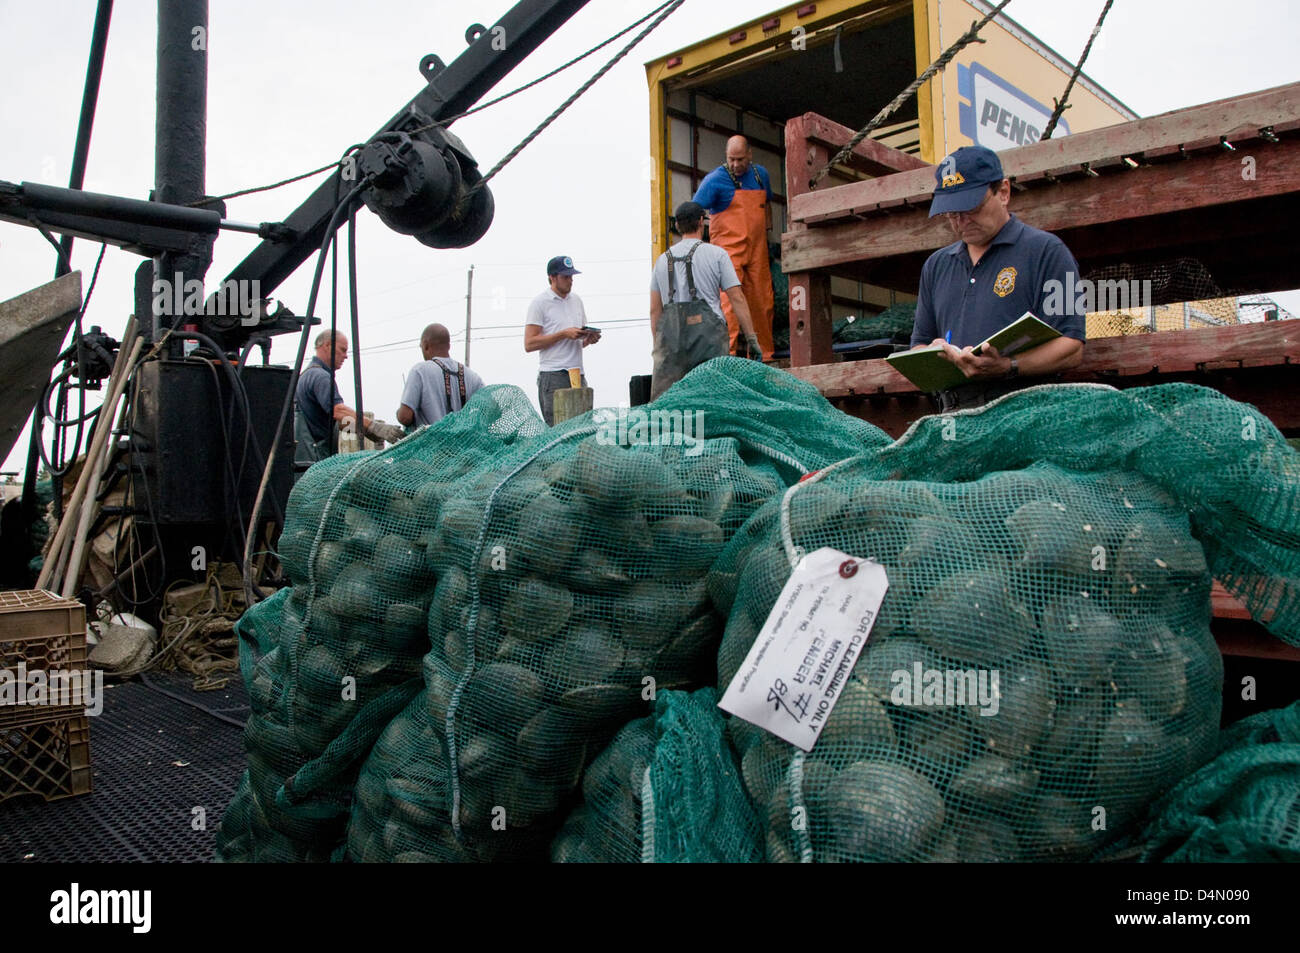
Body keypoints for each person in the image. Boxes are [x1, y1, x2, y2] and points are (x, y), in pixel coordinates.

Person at [909, 145, 1085, 411]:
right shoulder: (936, 266)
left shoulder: (1047, 252)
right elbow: (918, 344)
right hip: (953, 416)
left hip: (1024, 414)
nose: (962, 220)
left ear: (1003, 192)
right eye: (952, 213)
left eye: (971, 207)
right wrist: (932, 355)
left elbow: (1071, 346)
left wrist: (1008, 366)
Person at [649, 201, 760, 399]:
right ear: (702, 222)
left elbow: (654, 310)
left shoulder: (661, 261)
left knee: (668, 403)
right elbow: (737, 298)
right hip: (709, 340)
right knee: (713, 396)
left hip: (670, 340)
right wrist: (751, 338)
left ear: (677, 226)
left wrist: (660, 347)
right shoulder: (717, 254)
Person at [693, 135, 776, 360]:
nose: (736, 165)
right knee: (727, 305)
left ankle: (764, 356)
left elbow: (767, 204)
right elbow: (693, 212)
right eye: (732, 159)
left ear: (750, 155)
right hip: (727, 255)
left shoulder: (761, 176)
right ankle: (724, 357)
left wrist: (769, 232)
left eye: (740, 159)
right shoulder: (714, 181)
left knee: (762, 301)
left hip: (757, 251)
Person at [524, 255, 601, 426]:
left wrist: (589, 338)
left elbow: (577, 339)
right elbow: (529, 344)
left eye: (571, 277)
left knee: (583, 428)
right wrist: (563, 334)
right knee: (558, 430)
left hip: (578, 372)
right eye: (565, 277)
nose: (570, 281)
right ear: (552, 277)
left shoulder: (576, 300)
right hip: (553, 374)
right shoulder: (539, 303)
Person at [397, 323, 484, 428]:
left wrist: (399, 413)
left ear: (425, 345)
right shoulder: (473, 378)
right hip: (462, 443)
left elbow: (405, 417)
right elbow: (488, 411)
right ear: (449, 346)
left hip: (429, 443)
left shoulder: (419, 371)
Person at [295, 330, 358, 463]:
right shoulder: (321, 377)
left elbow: (322, 421)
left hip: (305, 457)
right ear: (328, 345)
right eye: (343, 350)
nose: (346, 356)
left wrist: (356, 429)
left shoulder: (306, 375)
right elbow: (338, 411)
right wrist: (373, 428)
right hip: (316, 459)